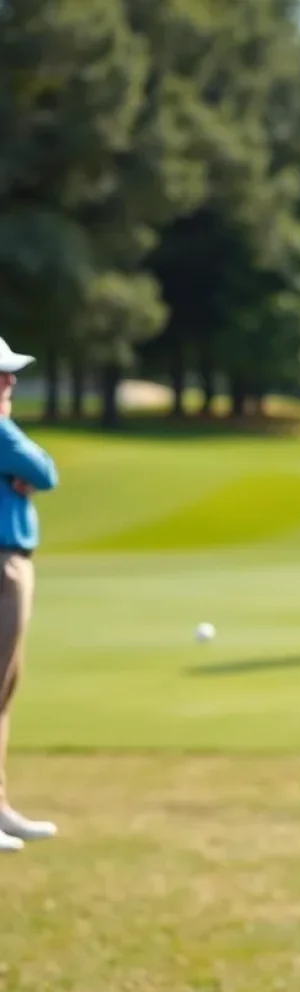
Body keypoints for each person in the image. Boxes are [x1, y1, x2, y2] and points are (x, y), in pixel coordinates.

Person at [0, 336, 60, 853]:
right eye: (3, 374)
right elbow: (45, 471)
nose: (11, 381)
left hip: (12, 561)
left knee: (3, 694)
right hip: (2, 565)